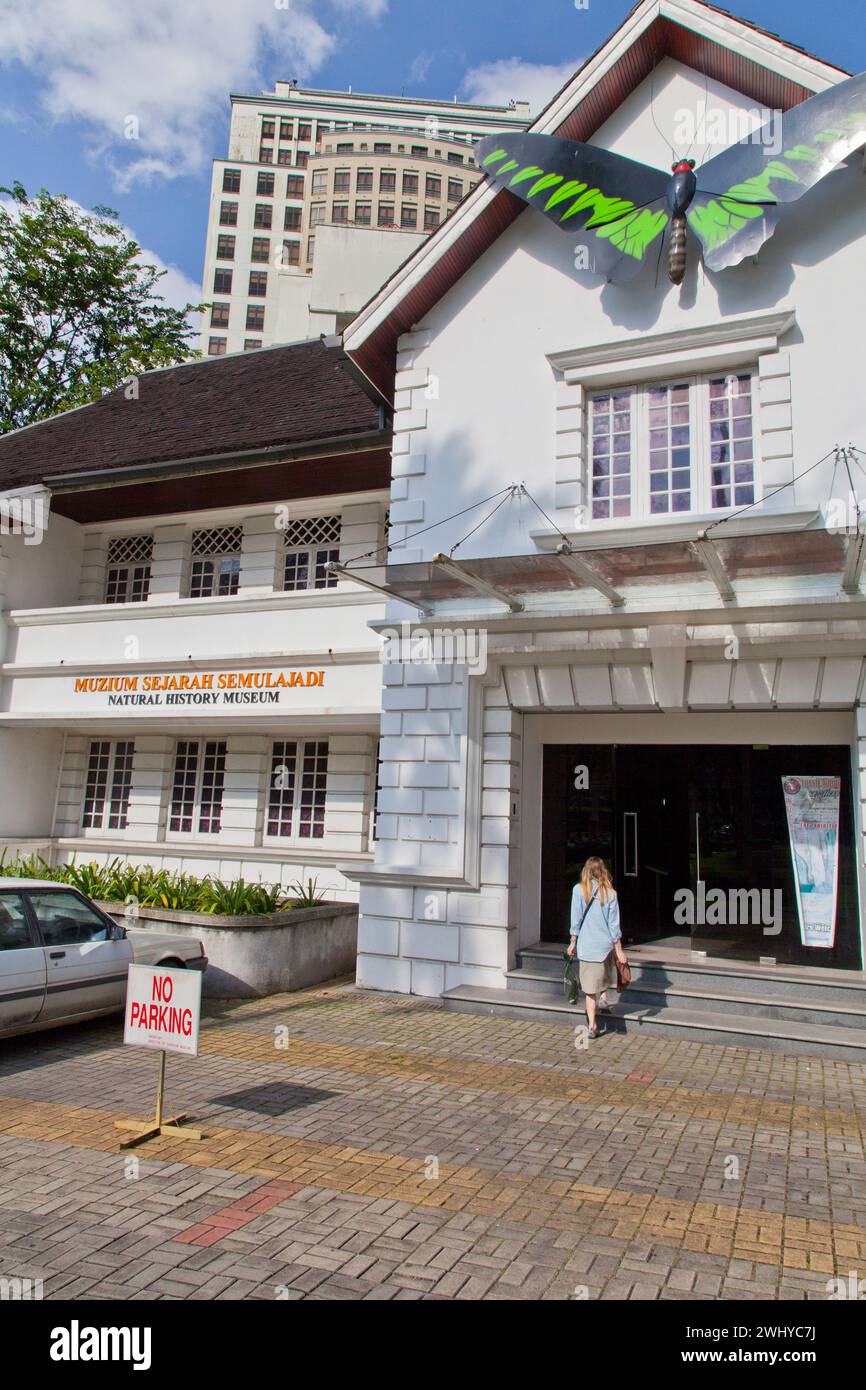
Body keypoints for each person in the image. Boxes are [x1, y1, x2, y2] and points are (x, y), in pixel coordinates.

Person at [565, 856, 627, 1039]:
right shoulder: (611, 894)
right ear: (603, 871)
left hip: (587, 945)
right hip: (604, 945)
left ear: (586, 870)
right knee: (604, 975)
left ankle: (592, 1025)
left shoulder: (578, 891)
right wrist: (619, 948)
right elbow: (614, 924)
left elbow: (575, 918)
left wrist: (573, 941)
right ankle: (604, 999)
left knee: (589, 988)